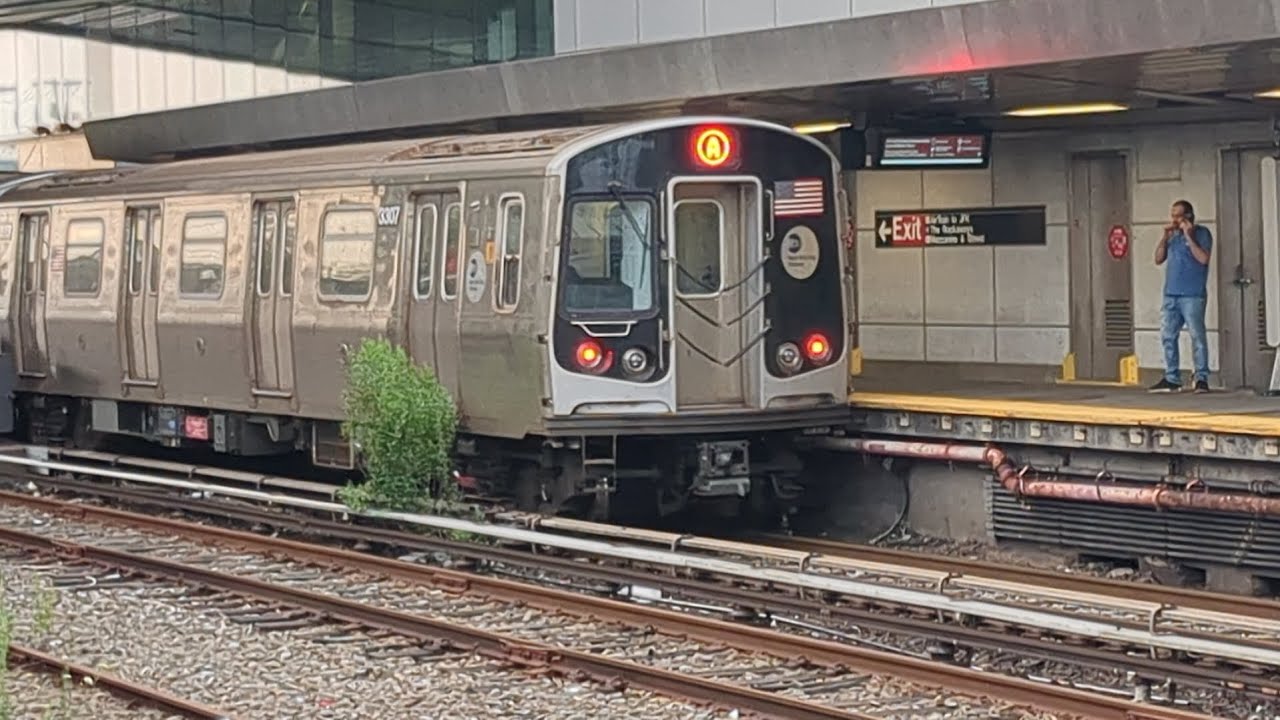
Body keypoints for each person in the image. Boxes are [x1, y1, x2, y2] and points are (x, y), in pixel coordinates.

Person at [1149, 199, 1212, 393]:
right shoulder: (1173, 236)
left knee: (1197, 336)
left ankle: (1201, 377)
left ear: (1188, 216)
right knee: (1168, 335)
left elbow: (1203, 259)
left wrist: (1189, 236)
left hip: (1192, 295)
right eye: (1173, 216)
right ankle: (1172, 377)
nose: (1174, 220)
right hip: (1171, 294)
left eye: (1178, 216)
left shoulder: (1202, 233)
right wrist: (1164, 238)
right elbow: (1158, 259)